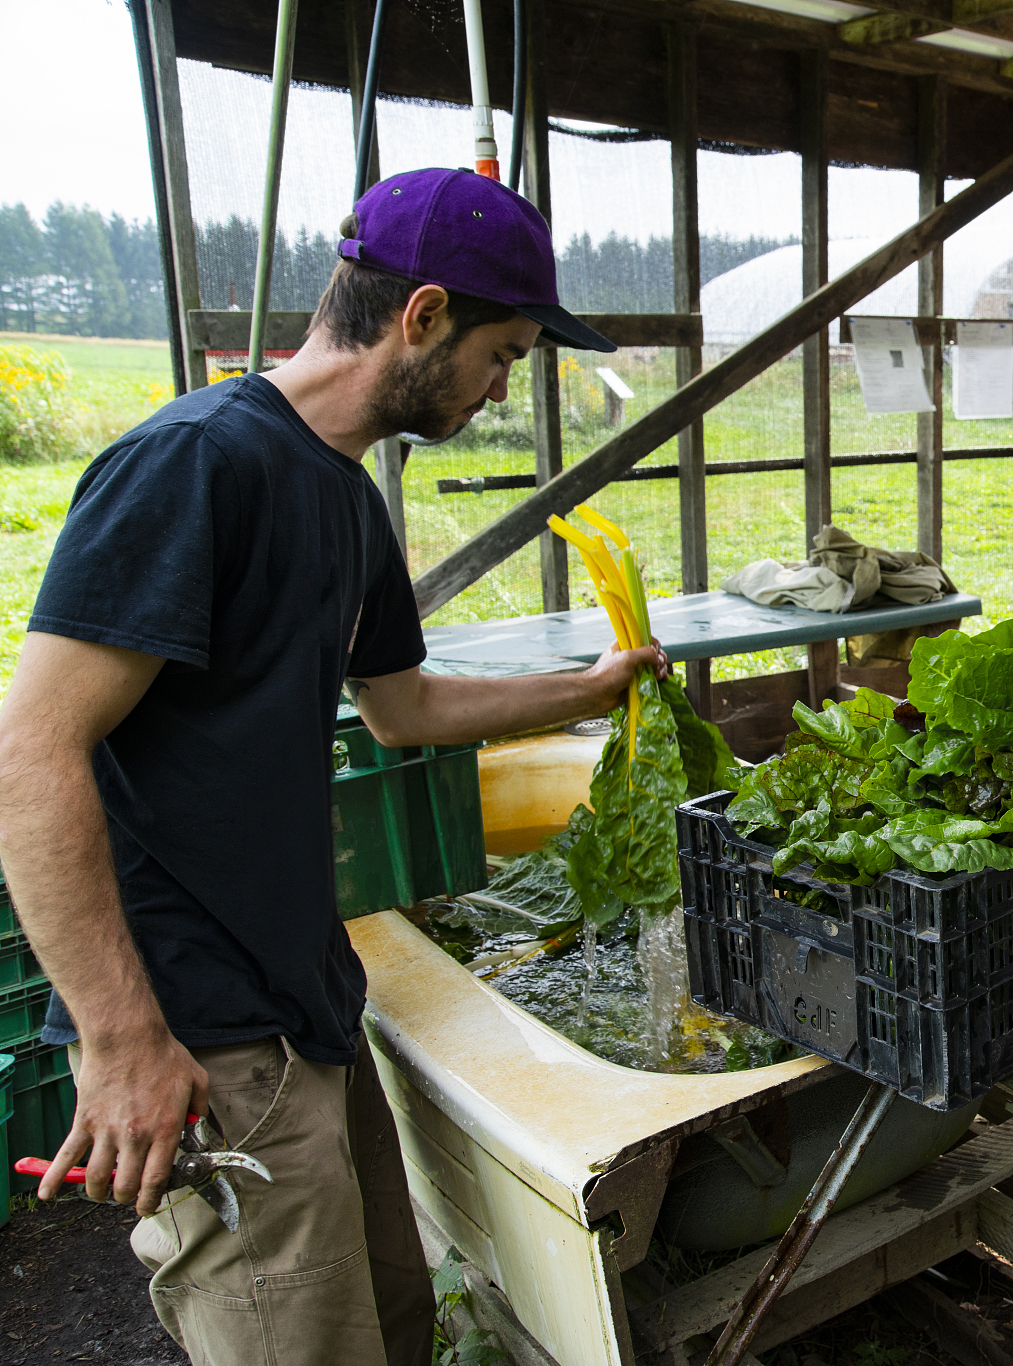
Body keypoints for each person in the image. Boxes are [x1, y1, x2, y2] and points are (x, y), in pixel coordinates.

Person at [0, 167, 656, 1366]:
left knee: (395, 1322)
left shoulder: (344, 499)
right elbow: (30, 747)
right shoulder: (194, 465)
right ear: (421, 316)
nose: (503, 382)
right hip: (200, 1022)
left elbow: (402, 707)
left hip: (306, 995)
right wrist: (121, 1038)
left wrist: (587, 688)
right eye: (502, 351)